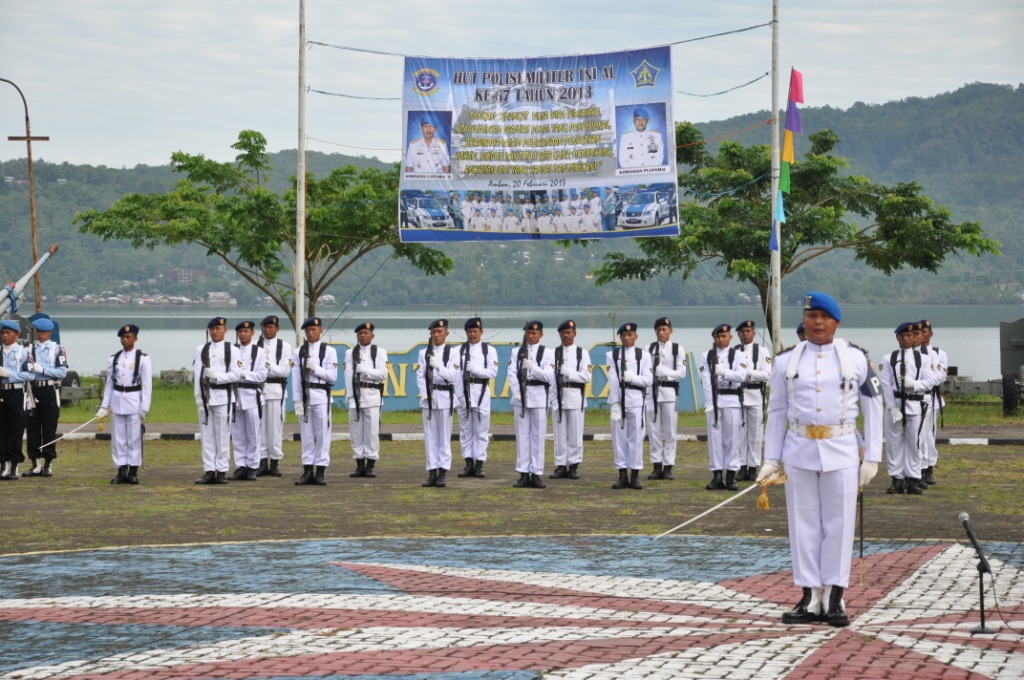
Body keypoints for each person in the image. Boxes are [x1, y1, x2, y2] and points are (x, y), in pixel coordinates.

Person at [757, 291, 882, 628]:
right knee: (804, 526)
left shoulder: (856, 359)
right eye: (811, 317)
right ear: (805, 320)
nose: (817, 323)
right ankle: (812, 596)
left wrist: (872, 458)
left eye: (824, 317)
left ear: (836, 322)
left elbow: (873, 409)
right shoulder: (787, 360)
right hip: (798, 451)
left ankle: (837, 596)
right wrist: (771, 458)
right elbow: (777, 411)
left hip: (841, 450)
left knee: (839, 526)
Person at [879, 321, 936, 495]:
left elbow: (930, 382)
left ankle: (913, 478)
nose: (906, 339)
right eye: (902, 336)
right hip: (895, 405)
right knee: (894, 444)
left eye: (909, 336)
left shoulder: (923, 359)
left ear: (913, 338)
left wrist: (914, 384)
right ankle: (897, 478)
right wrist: (891, 407)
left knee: (914, 443)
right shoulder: (889, 358)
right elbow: (886, 384)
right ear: (897, 338)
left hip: (914, 405)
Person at [96, 324, 152, 485]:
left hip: (134, 400)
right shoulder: (114, 358)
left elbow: (147, 385)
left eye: (128, 337)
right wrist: (104, 406)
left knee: (134, 438)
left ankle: (133, 471)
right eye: (123, 337)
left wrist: (144, 408)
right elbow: (109, 384)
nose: (125, 340)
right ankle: (121, 469)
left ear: (135, 339)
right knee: (118, 438)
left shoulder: (143, 358)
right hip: (117, 400)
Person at [698, 323, 747, 491]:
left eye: (724, 336)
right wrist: (710, 401)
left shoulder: (739, 355)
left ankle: (732, 475)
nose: (720, 339)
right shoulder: (707, 355)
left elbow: (741, 377)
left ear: (730, 337)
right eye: (717, 336)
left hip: (732, 400)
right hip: (715, 399)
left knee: (732, 439)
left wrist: (723, 372)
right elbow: (705, 380)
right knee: (715, 440)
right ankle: (717, 475)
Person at [508, 320, 556, 488]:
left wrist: (532, 368)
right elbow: (512, 373)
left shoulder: (548, 353)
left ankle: (536, 473)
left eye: (534, 333)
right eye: (528, 333)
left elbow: (549, 376)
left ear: (541, 334)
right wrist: (516, 390)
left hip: (539, 397)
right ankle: (523, 473)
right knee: (522, 436)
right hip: (521, 396)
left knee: (537, 437)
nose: (530, 336)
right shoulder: (516, 352)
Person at [291, 317, 338, 486]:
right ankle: (307, 471)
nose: (310, 333)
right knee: (307, 436)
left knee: (323, 435)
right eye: (308, 330)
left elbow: (332, 376)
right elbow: (296, 379)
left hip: (321, 397)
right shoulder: (298, 352)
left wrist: (315, 368)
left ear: (321, 331)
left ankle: (320, 471)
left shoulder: (329, 351)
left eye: (314, 330)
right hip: (305, 397)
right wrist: (297, 400)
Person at [194, 317, 241, 485]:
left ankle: (221, 471)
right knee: (207, 436)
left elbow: (236, 374)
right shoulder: (201, 349)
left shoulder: (232, 350)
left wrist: (217, 377)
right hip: (206, 397)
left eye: (218, 328)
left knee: (222, 435)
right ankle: (209, 470)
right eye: (212, 328)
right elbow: (198, 375)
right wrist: (198, 397)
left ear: (225, 330)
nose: (215, 331)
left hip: (224, 396)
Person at [23, 317, 69, 478]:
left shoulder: (57, 349)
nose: (40, 334)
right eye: (38, 331)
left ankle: (48, 463)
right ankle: (35, 463)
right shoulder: (28, 349)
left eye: (43, 331)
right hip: (32, 390)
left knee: (49, 429)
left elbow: (62, 372)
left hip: (49, 390)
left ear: (50, 332)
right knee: (33, 428)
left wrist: (42, 370)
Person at [455, 317, 499, 479]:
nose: (472, 334)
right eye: (470, 331)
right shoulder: (457, 350)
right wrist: (459, 395)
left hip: (481, 393)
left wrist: (476, 370)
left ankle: (480, 463)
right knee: (466, 431)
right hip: (463, 394)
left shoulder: (489, 351)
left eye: (475, 331)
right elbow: (455, 375)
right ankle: (468, 463)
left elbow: (493, 372)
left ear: (481, 332)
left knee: (481, 431)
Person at [417, 318, 458, 487]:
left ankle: (443, 472)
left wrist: (439, 366)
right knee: (430, 437)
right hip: (430, 397)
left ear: (446, 333)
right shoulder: (423, 353)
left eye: (439, 332)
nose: (436, 335)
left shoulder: (452, 352)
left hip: (445, 397)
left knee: (444, 438)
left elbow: (453, 377)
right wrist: (424, 393)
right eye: (434, 332)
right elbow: (420, 376)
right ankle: (432, 471)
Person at [344, 321, 389, 478]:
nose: (362, 336)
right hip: (356, 395)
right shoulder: (351, 353)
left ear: (372, 335)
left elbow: (383, 374)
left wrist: (366, 371)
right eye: (360, 334)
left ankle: (370, 463)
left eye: (365, 333)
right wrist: (350, 396)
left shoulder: (379, 352)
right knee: (356, 432)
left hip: (372, 395)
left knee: (371, 432)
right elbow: (348, 375)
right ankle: (359, 463)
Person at [550, 320, 592, 480]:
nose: (566, 335)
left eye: (569, 332)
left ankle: (573, 465)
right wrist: (553, 398)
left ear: (575, 333)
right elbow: (550, 378)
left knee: (575, 434)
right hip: (558, 397)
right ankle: (561, 465)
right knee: (559, 434)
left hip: (575, 396)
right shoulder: (553, 353)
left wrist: (568, 372)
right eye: (563, 333)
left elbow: (586, 377)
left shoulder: (582, 353)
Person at [646, 317, 687, 480]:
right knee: (653, 431)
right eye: (658, 330)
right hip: (652, 393)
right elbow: (646, 370)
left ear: (671, 331)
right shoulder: (648, 348)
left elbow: (681, 373)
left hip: (669, 392)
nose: (661, 333)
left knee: (670, 431)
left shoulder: (678, 349)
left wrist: (663, 371)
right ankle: (656, 465)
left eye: (664, 330)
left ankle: (668, 465)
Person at [734, 320, 773, 481]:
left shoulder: (762, 352)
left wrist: (747, 373)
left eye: (748, 331)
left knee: (756, 433)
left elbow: (767, 375)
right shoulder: (733, 351)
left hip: (756, 394)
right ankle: (742, 465)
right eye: (742, 332)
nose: (745, 334)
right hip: (738, 394)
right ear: (738, 334)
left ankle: (753, 466)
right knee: (740, 433)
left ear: (754, 333)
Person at [229, 320, 267, 481]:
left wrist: (243, 373)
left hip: (252, 395)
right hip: (236, 394)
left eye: (246, 331)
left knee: (253, 433)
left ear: (252, 333)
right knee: (237, 434)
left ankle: (252, 466)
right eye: (240, 332)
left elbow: (261, 375)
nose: (243, 334)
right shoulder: (232, 350)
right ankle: (240, 466)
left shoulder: (259, 352)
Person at [256, 315, 291, 477]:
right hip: (258, 390)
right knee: (260, 428)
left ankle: (275, 461)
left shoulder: (284, 346)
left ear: (277, 329)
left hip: (276, 389)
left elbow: (285, 371)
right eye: (265, 327)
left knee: (275, 428)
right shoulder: (256, 345)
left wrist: (269, 366)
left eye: (271, 327)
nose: (267, 330)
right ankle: (262, 461)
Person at [0, 320, 33, 481]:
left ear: (17, 334)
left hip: (16, 392)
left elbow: (30, 374)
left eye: (8, 333)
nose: (4, 336)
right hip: (1, 393)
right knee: (2, 430)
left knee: (15, 429)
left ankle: (14, 465)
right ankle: (4, 464)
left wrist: (9, 374)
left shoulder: (24, 352)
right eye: (3, 333)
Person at [918, 319, 948, 485]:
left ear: (930, 334)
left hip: (932, 398)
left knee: (929, 435)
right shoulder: (912, 352)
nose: (922, 335)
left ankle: (929, 467)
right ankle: (918, 467)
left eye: (924, 331)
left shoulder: (938, 353)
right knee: (917, 435)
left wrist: (926, 378)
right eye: (919, 332)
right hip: (915, 398)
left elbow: (940, 376)